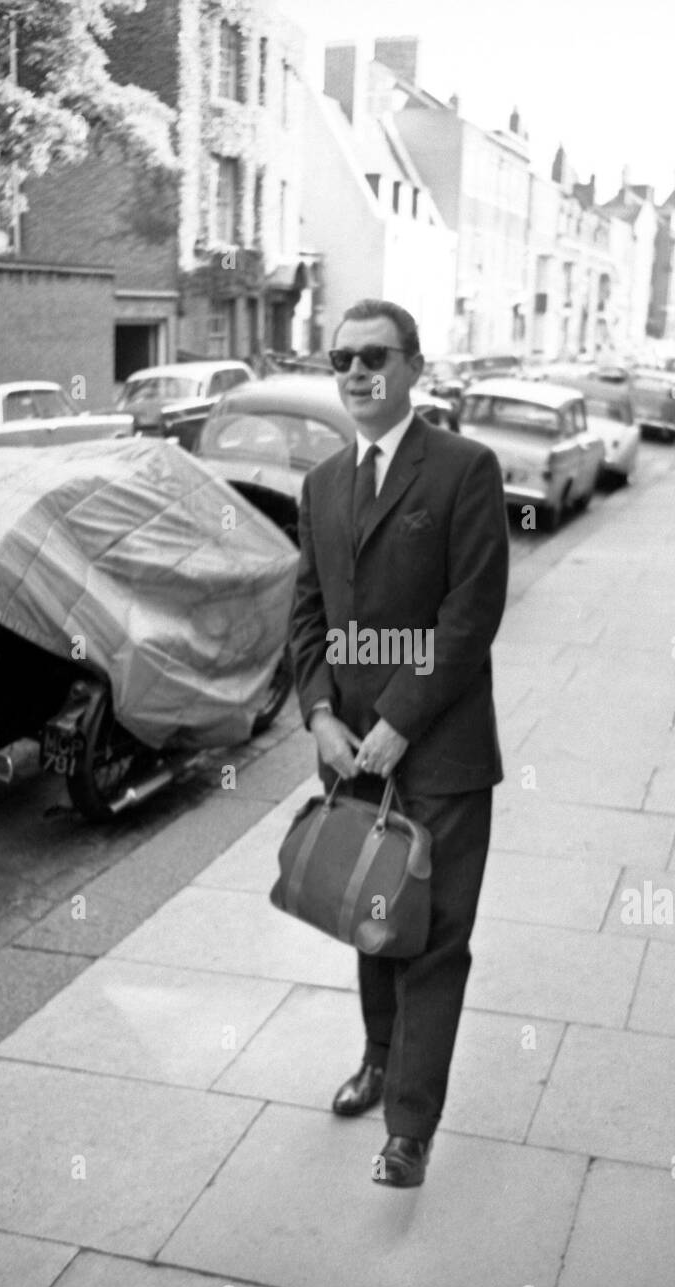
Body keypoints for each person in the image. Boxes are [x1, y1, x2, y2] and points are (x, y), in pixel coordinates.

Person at [289, 299, 509, 1188]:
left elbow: (471, 614)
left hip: (442, 754)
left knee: (434, 939)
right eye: (338, 358)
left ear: (413, 367)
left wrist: (396, 721)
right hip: (347, 759)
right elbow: (307, 610)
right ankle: (379, 1062)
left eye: (372, 356)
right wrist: (318, 715)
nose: (353, 372)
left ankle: (409, 1129)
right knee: (368, 921)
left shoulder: (464, 468)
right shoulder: (321, 485)